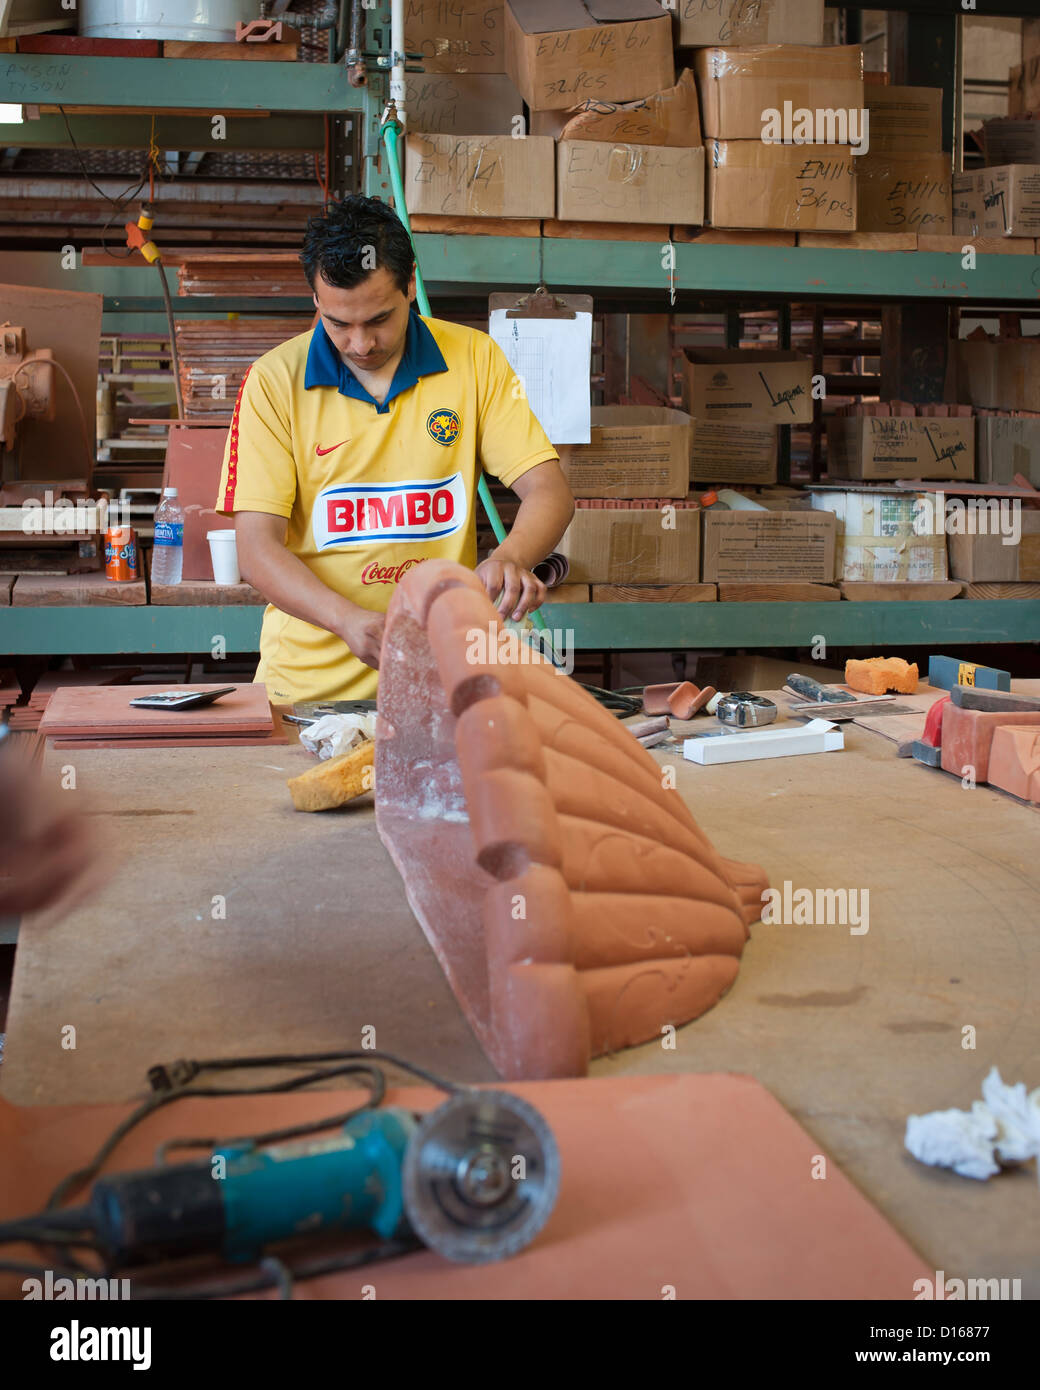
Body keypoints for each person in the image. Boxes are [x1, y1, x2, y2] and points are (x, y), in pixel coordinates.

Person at [215, 195, 575, 704]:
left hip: (442, 685)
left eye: (379, 319)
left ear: (410, 286)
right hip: (306, 697)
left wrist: (513, 557)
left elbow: (548, 490)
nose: (361, 343)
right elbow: (256, 549)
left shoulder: (474, 360)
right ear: (316, 300)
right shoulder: (274, 382)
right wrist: (346, 620)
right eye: (338, 323)